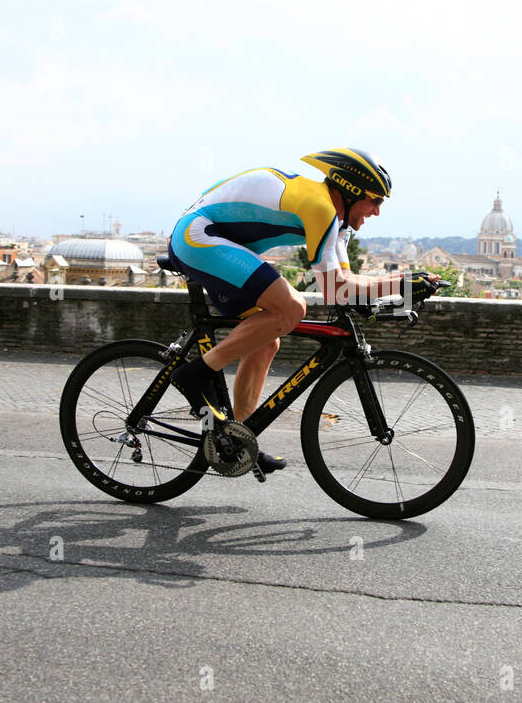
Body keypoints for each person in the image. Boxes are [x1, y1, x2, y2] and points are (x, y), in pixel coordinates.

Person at [166, 148, 415, 475]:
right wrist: (401, 285)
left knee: (268, 340)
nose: (377, 211)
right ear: (351, 190)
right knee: (292, 308)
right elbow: (334, 289)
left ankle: (237, 438)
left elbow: (346, 283)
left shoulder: (337, 224)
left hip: (220, 242)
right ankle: (194, 374)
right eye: (375, 200)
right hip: (199, 236)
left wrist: (403, 287)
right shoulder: (320, 206)